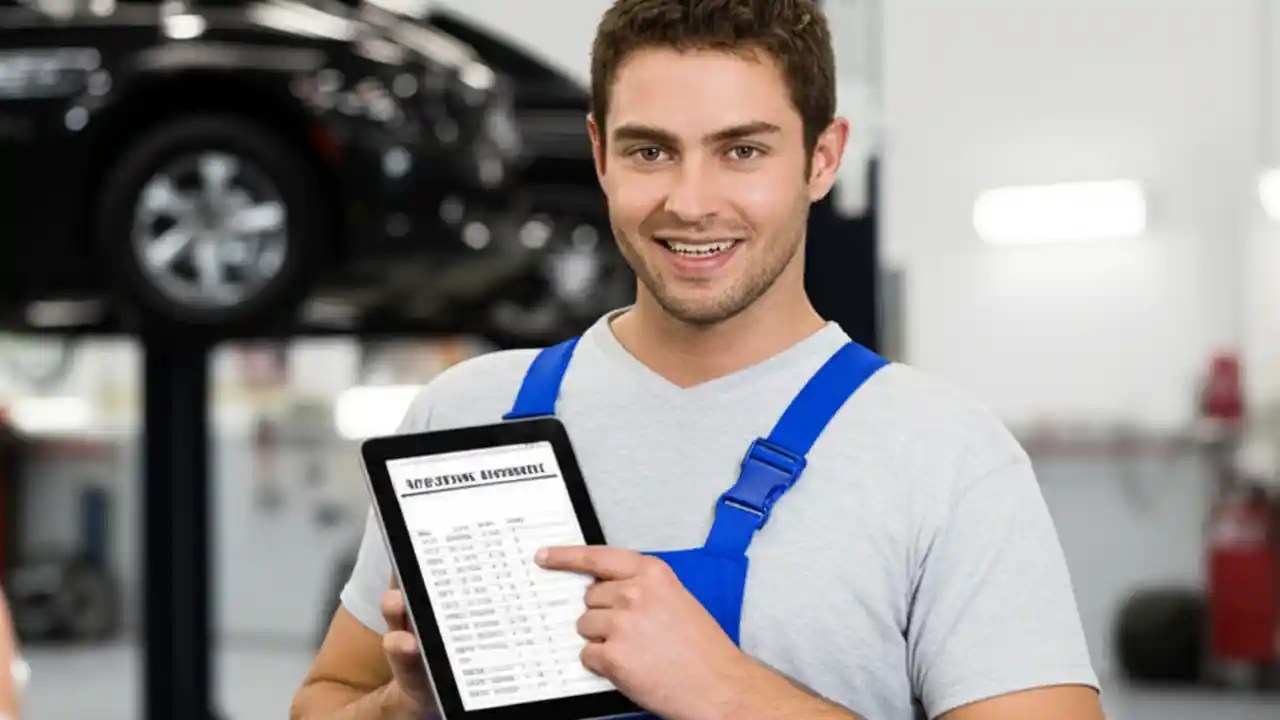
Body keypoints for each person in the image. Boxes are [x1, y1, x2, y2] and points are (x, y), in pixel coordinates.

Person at [290, 1, 1104, 718]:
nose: (691, 201)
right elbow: (324, 699)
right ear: (600, 154)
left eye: (742, 151)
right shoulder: (467, 414)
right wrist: (401, 710)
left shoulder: (943, 453)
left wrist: (724, 692)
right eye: (651, 152)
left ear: (822, 158)